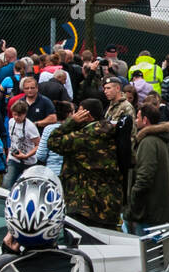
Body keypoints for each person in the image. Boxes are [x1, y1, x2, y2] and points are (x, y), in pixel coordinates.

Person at [49, 99, 124, 231]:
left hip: (85, 205)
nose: (76, 115)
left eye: (79, 112)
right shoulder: (109, 130)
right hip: (109, 203)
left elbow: (53, 141)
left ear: (87, 115)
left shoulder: (86, 136)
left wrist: (71, 122)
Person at [126, 104, 169, 235]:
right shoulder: (161, 139)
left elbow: (145, 176)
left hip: (148, 212)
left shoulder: (148, 142)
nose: (136, 121)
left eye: (137, 118)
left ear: (145, 120)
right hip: (158, 211)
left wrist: (133, 200)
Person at [4, 98, 41, 187]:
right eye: (14, 114)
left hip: (29, 161)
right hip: (14, 159)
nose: (16, 117)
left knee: (27, 186)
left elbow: (38, 145)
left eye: (19, 115)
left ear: (25, 114)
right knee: (7, 183)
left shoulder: (30, 127)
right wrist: (8, 156)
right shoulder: (11, 122)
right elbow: (12, 140)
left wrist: (26, 155)